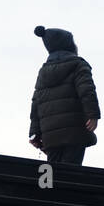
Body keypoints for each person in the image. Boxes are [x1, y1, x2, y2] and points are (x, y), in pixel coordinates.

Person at [29, 25, 100, 165]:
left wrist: (34, 132)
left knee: (53, 172)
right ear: (68, 45)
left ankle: (48, 187)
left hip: (50, 134)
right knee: (71, 171)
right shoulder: (78, 65)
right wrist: (93, 114)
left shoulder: (43, 71)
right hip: (74, 131)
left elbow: (36, 102)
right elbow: (87, 91)